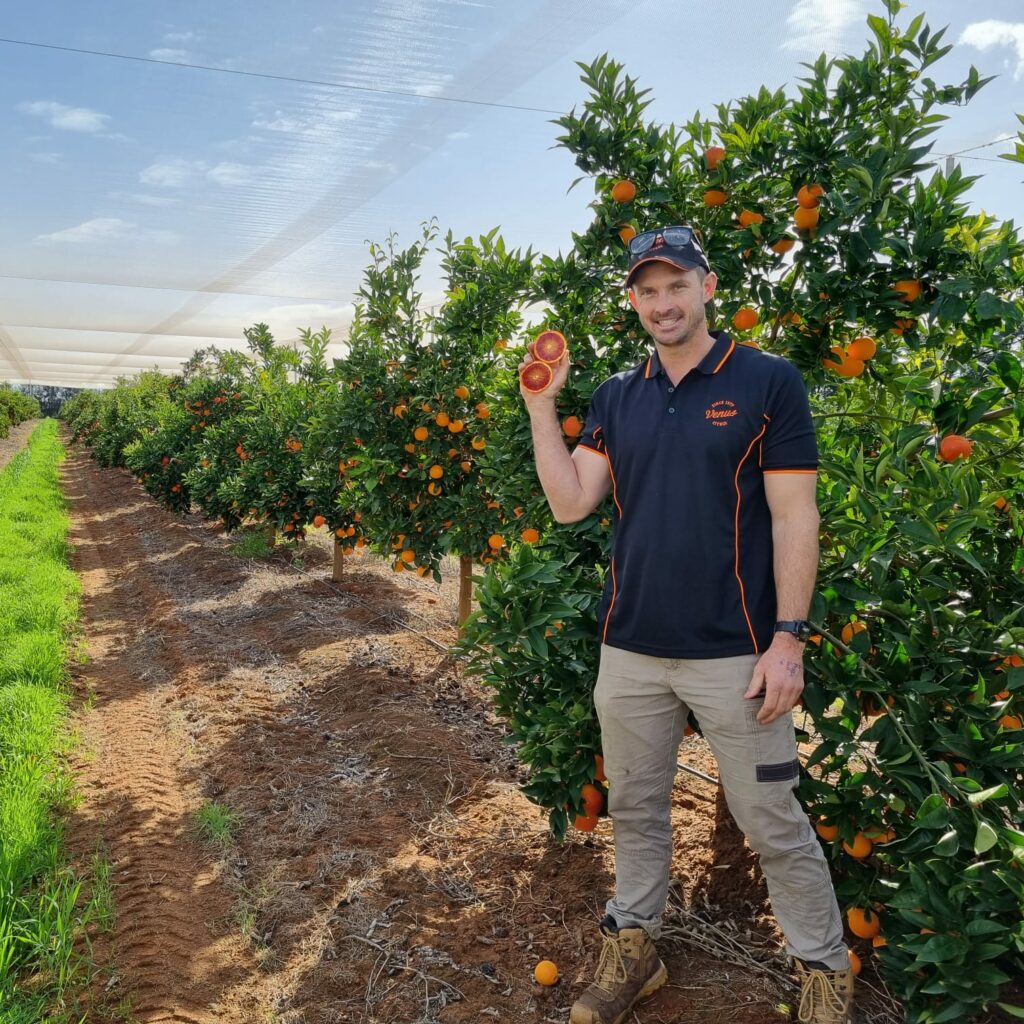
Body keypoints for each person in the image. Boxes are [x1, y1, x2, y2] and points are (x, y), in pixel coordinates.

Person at [519, 226, 854, 1024]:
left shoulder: (768, 381)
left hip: (735, 651)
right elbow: (571, 504)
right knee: (634, 808)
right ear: (633, 300)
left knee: (771, 817)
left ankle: (823, 970)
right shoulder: (615, 395)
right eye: (647, 289)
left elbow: (794, 515)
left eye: (677, 285)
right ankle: (636, 947)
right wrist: (542, 406)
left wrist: (788, 637)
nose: (663, 302)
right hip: (631, 648)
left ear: (707, 287)